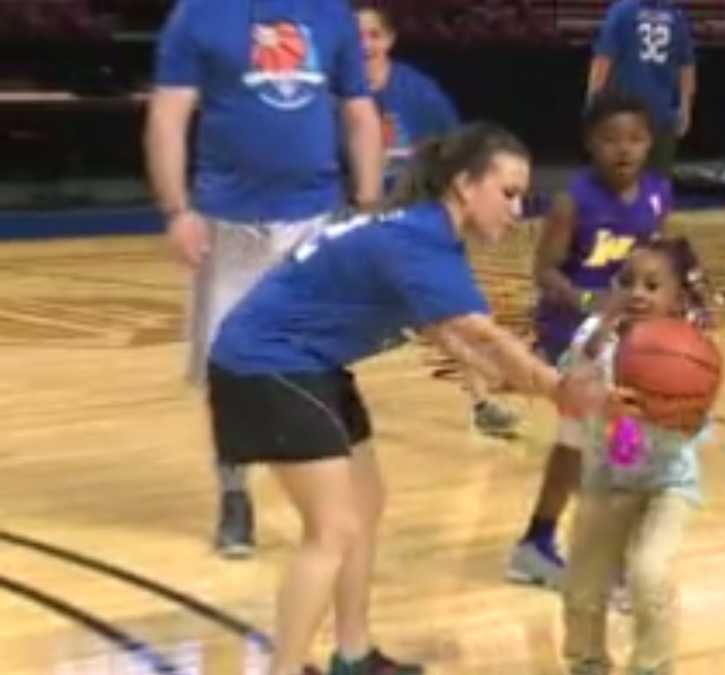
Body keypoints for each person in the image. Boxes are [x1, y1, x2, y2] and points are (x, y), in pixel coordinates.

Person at [206, 122, 637, 675]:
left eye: (522, 198)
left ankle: (353, 655)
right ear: (464, 186)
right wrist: (557, 388)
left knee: (365, 505)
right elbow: (481, 334)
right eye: (507, 193)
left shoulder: (422, 233)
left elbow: (450, 334)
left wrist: (513, 379)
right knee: (331, 530)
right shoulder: (419, 243)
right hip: (265, 365)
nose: (516, 211)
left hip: (310, 363)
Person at [144, 0, 383, 558]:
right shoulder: (198, 14)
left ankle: (328, 491)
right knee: (227, 367)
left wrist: (369, 205)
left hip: (314, 215)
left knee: (319, 356)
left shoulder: (331, 15)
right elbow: (168, 116)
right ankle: (234, 491)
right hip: (228, 220)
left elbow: (360, 112)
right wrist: (177, 209)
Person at [507, 91, 674, 589]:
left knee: (579, 445)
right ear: (590, 143)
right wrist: (588, 301)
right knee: (619, 443)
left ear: (650, 143)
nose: (624, 149)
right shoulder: (572, 200)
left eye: (636, 139)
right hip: (575, 333)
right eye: (611, 139)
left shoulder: (658, 193)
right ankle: (608, 559)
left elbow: (657, 263)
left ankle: (537, 543)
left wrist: (676, 298)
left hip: (626, 335)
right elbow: (544, 271)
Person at [355, 4, 518, 436]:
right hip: (355, 223)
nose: (364, 45)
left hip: (415, 224)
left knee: (448, 314)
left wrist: (457, 212)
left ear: (390, 39)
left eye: (373, 35)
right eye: (356, 37)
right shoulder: (333, 94)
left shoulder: (420, 93)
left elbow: (457, 154)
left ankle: (484, 400)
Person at [561, 237, 715, 675]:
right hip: (606, 479)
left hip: (668, 483)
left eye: (652, 285)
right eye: (627, 282)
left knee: (649, 574)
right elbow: (568, 383)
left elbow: (695, 428)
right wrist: (603, 398)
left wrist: (661, 414)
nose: (637, 294)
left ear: (678, 298)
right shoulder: (595, 337)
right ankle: (586, 662)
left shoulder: (692, 350)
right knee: (583, 585)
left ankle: (652, 666)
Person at [585, 0, 697, 175]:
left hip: (624, 113)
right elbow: (686, 68)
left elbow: (603, 60)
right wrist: (685, 108)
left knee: (619, 178)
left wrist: (593, 101)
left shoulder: (621, 12)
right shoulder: (676, 17)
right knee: (658, 180)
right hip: (663, 113)